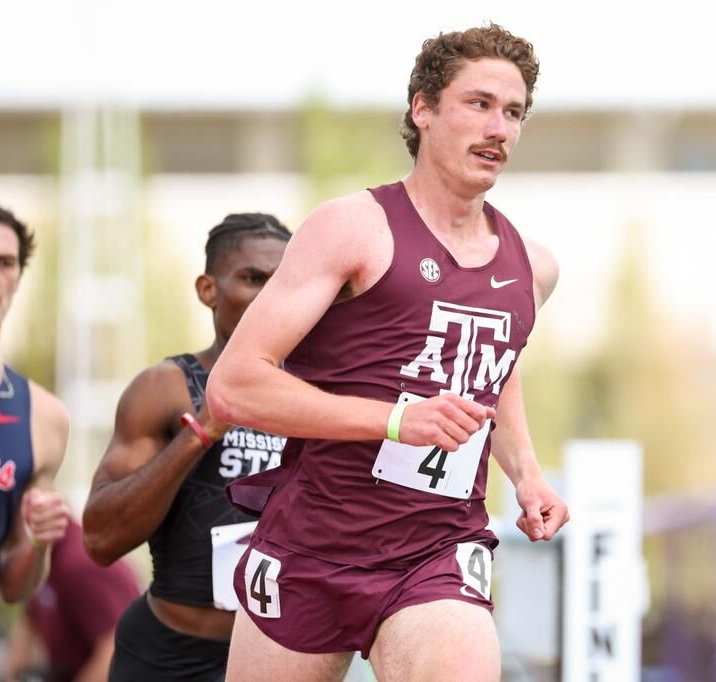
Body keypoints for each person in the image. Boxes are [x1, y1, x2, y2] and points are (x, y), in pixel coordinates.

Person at [207, 23, 569, 682]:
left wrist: (526, 473)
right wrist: (396, 421)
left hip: (436, 551)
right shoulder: (352, 228)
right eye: (479, 104)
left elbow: (493, 369)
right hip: (312, 545)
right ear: (422, 108)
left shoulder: (532, 268)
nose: (499, 128)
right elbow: (234, 387)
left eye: (514, 112)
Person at [81, 213, 291, 681]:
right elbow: (100, 539)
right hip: (169, 657)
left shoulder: (321, 393)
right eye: (253, 279)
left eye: (282, 281)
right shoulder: (166, 387)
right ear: (208, 290)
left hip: (277, 659)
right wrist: (200, 432)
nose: (270, 296)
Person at [0, 200, 69, 654]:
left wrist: (38, 543)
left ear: (18, 276)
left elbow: (13, 587)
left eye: (5, 263)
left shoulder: (43, 417)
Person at [0, 516, 140, 682]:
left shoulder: (78, 564)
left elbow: (115, 651)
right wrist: (7, 676)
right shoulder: (38, 559)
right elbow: (29, 624)